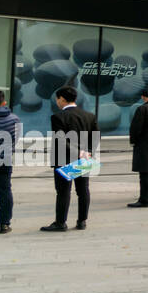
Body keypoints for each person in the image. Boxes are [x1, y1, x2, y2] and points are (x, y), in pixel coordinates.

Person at [43, 86, 97, 232]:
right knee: (83, 190)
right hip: (84, 158)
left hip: (64, 158)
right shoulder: (89, 116)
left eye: (57, 99)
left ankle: (61, 222)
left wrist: (77, 152)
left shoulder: (58, 117)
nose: (57, 102)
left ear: (62, 99)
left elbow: (61, 140)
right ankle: (82, 221)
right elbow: (95, 137)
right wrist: (88, 152)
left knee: (63, 192)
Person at [0, 88, 21, 233]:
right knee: (5, 191)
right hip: (4, 160)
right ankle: (5, 224)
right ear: (4, 101)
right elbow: (16, 139)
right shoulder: (14, 119)